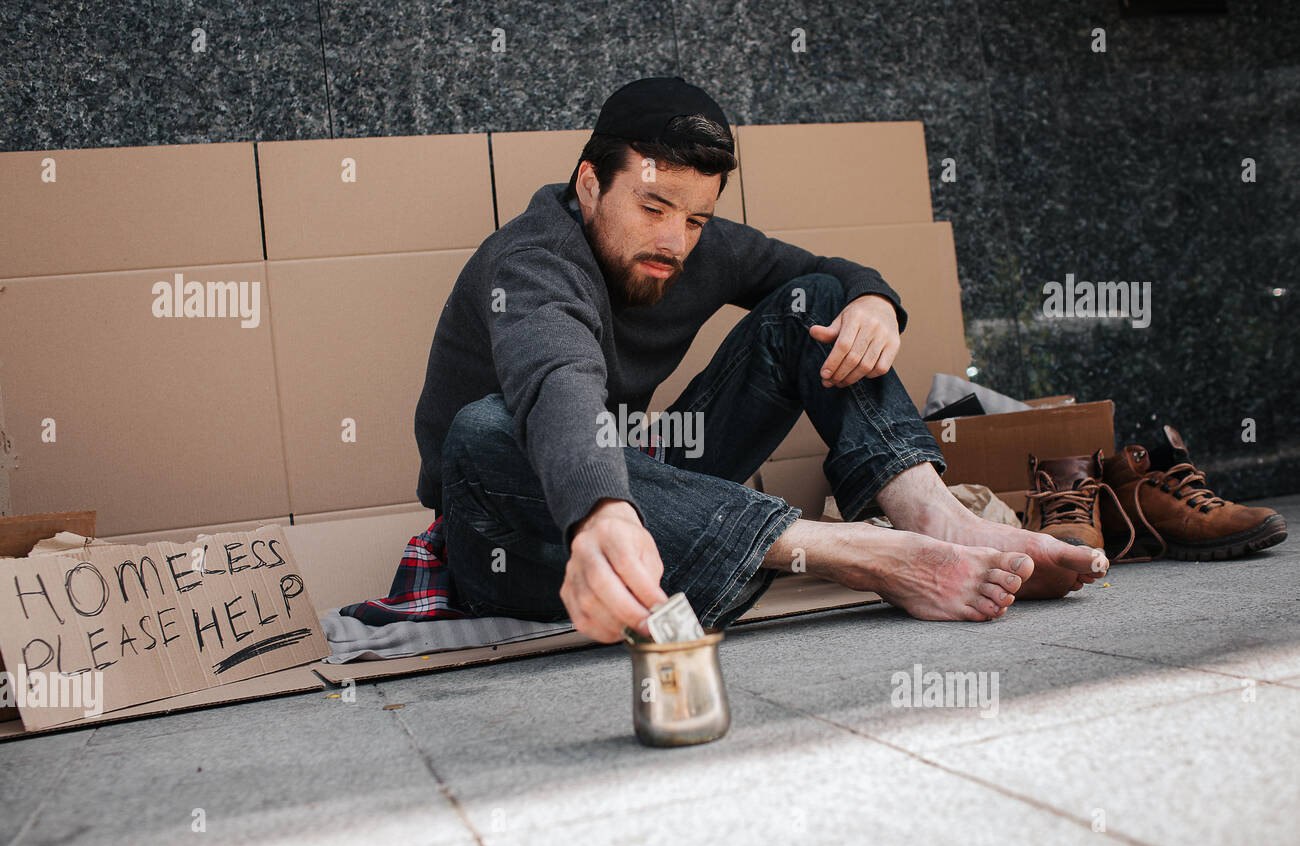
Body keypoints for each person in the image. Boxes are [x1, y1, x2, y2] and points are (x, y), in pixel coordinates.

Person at [414, 76, 1107, 645]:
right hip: (514, 532)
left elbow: (823, 273)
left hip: (650, 496)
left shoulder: (689, 244)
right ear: (590, 184)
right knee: (486, 429)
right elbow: (557, 386)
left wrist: (871, 302)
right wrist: (603, 510)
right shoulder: (533, 261)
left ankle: (931, 515)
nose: (675, 242)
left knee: (816, 302)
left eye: (695, 220)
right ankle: (865, 554)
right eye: (653, 207)